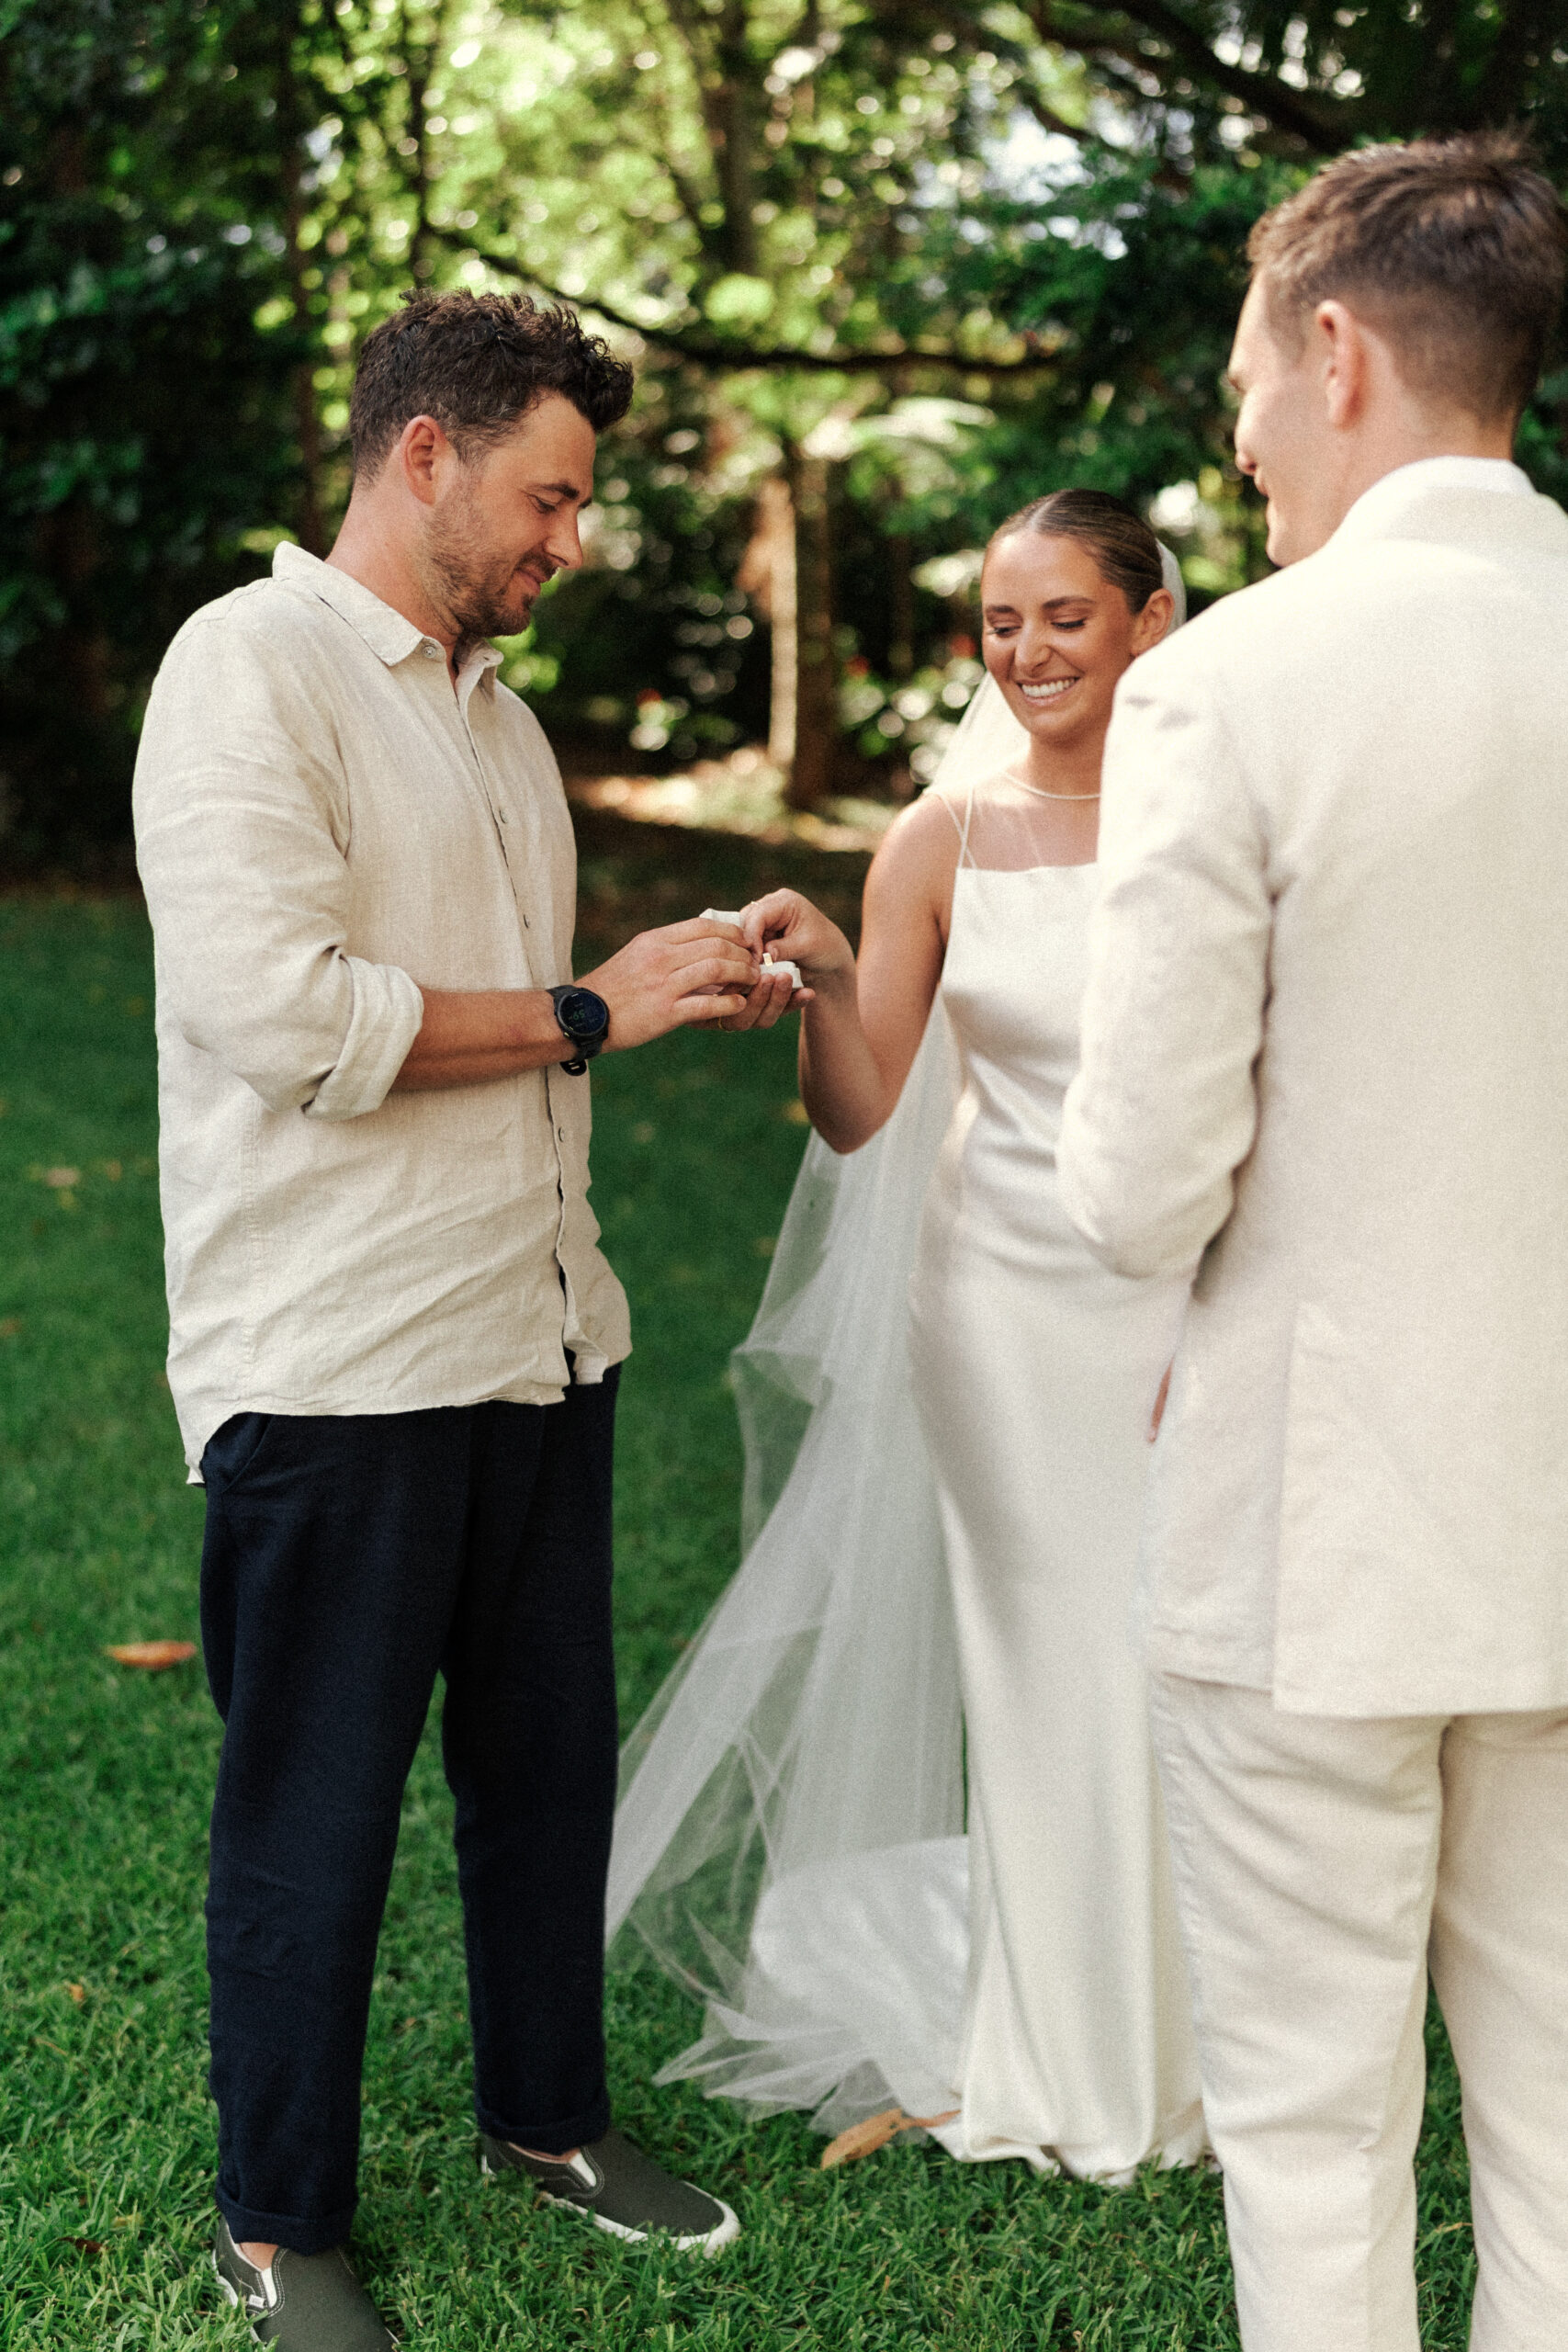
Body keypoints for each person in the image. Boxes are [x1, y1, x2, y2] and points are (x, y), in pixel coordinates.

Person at [133, 290, 799, 2351]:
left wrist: (660, 973)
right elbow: (287, 1015)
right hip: (336, 1360)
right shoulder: (246, 669)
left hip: (540, 1335)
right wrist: (597, 1004)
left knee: (544, 1777)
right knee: (310, 1806)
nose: (569, 538)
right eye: (549, 492)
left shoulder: (498, 718)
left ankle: (547, 2115)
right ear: (421, 453)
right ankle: (279, 2222)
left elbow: (518, 1024)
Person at [1056, 135, 1568, 2351]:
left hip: (1308, 1534)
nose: (1238, 435)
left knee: (1304, 2131)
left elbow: (1134, 1179)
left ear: (1336, 351)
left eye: (1250, 379)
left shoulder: (1229, 686)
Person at [610, 493, 1208, 2182]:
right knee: (1055, 1669)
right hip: (1005, 1321)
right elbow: (867, 1112)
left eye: (1063, 619)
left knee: (1185, 1658)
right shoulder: (942, 840)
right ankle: (1062, 2046)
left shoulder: (1224, 819)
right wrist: (814, 992)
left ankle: (1206, 2016)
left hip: (1179, 1303)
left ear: (1152, 621)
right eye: (999, 625)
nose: (1023, 654)